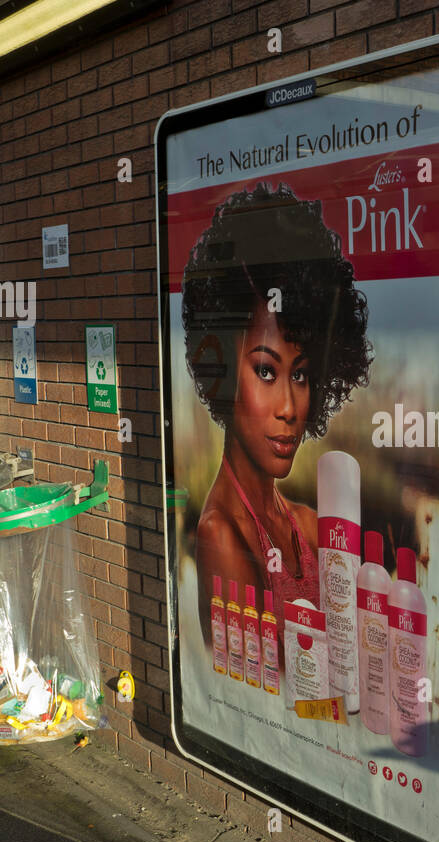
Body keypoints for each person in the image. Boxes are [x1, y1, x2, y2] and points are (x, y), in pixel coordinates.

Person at [182, 182, 373, 658]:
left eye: (303, 374)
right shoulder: (221, 536)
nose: (289, 407)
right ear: (222, 368)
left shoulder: (307, 525)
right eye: (266, 371)